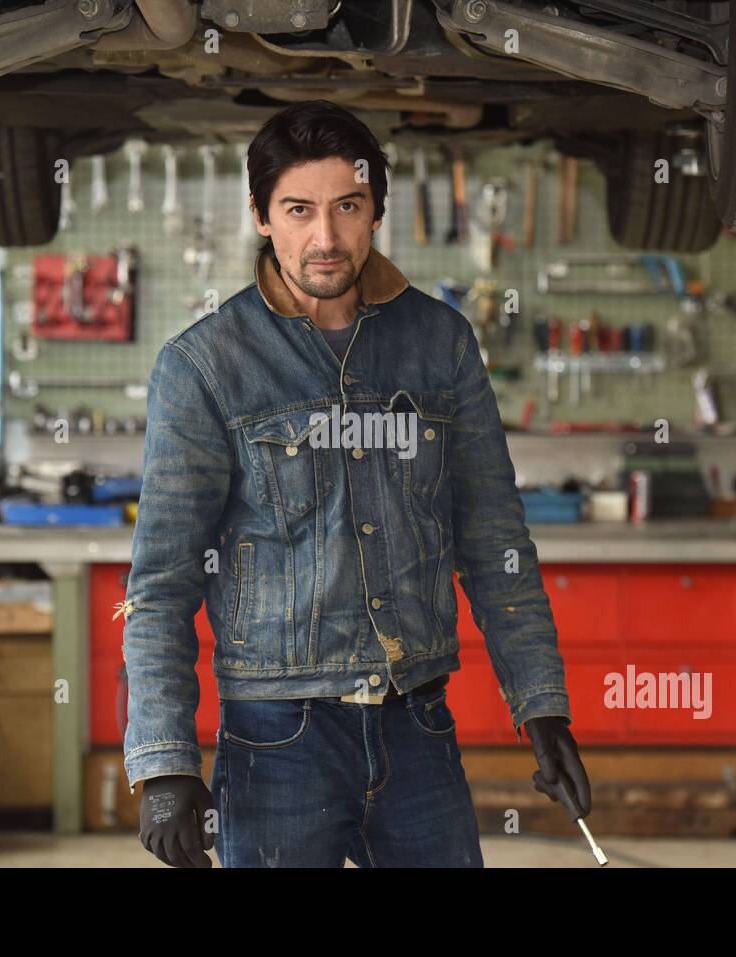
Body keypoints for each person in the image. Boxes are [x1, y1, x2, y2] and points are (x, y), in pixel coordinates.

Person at [122, 99, 591, 868]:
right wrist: (165, 760)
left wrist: (541, 704)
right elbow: (163, 581)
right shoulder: (205, 364)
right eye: (298, 209)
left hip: (418, 728)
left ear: (377, 208)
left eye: (347, 206)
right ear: (261, 215)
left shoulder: (440, 343)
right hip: (277, 740)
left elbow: (495, 541)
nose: (326, 237)